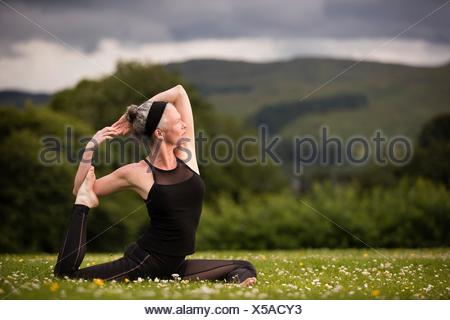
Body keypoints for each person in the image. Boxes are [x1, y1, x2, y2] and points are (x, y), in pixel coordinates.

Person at [53, 85, 257, 287]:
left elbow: (178, 92)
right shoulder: (136, 173)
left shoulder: (187, 154)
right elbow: (80, 188)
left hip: (175, 266)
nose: (184, 125)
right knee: (67, 275)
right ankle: (81, 209)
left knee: (243, 267)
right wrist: (91, 148)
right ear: (159, 133)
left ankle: (237, 286)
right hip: (146, 262)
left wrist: (132, 115)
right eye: (177, 122)